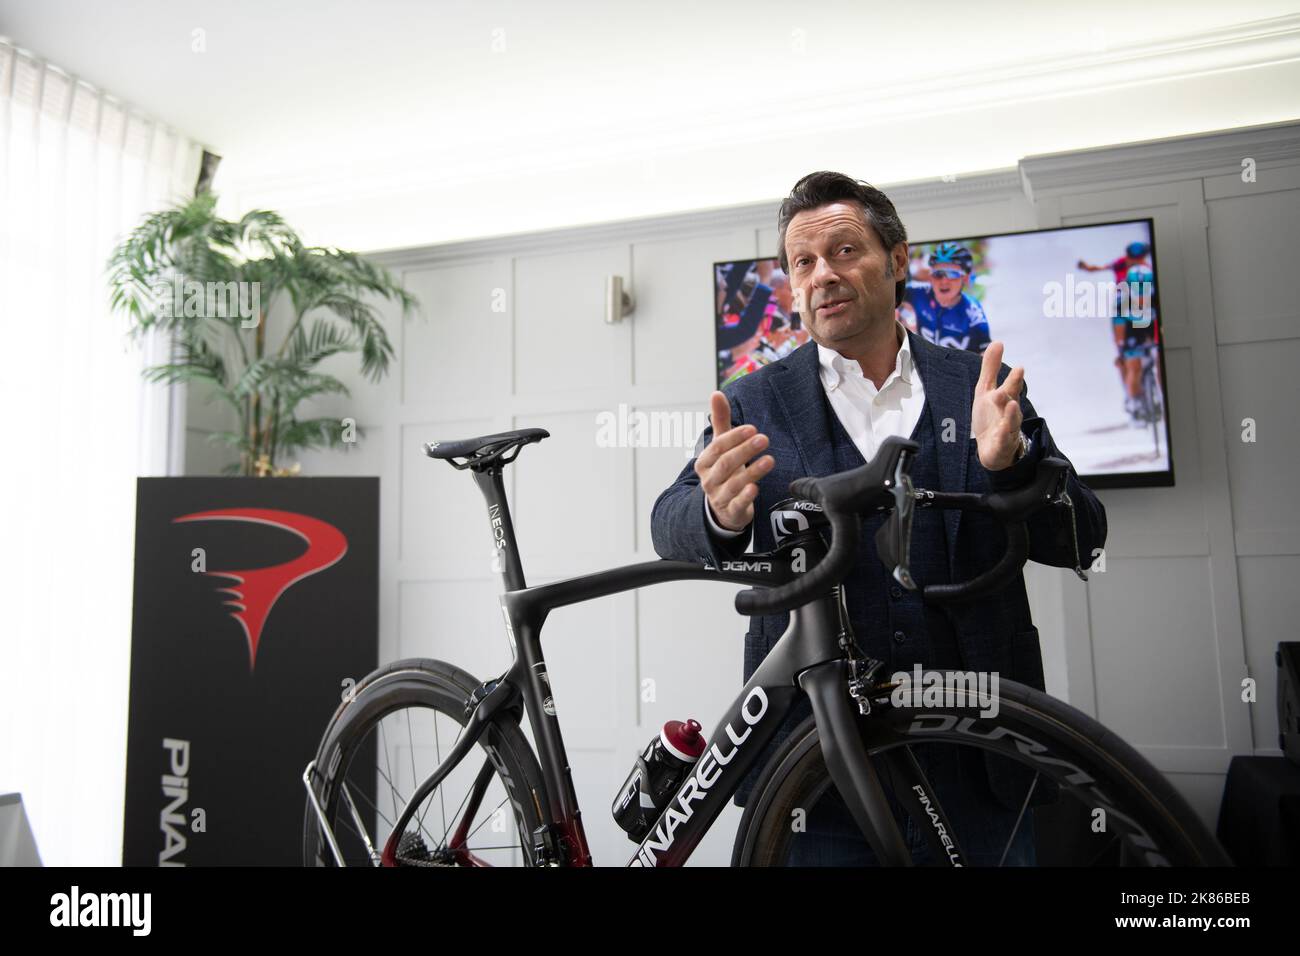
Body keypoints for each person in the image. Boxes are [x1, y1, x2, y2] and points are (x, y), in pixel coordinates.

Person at [650, 171, 1107, 866]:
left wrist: (1013, 466)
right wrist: (716, 513)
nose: (822, 275)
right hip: (816, 773)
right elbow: (669, 522)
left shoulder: (978, 388)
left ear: (896, 261)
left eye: (843, 251)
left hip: (981, 760)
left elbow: (1083, 537)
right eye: (803, 263)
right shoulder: (751, 402)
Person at [899, 242, 991, 353]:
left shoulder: (973, 314)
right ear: (930, 277)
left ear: (965, 278)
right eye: (938, 274)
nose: (944, 281)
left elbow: (986, 356)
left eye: (953, 274)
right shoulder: (917, 293)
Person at [1113, 262, 1160, 425]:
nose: (1141, 297)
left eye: (1145, 291)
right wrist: (1121, 349)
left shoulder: (1157, 293)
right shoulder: (1122, 299)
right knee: (1134, 366)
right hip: (1131, 331)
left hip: (1148, 327)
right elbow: (1119, 328)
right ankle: (1136, 403)